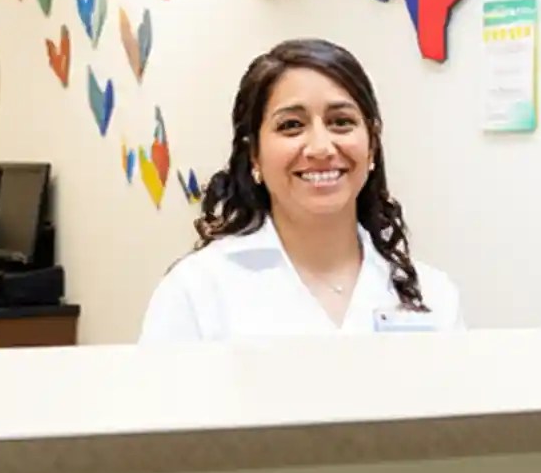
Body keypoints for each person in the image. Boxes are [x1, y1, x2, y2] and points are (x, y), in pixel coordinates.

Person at [138, 38, 464, 343]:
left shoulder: (434, 294)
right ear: (254, 155)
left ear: (372, 145)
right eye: (291, 125)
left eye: (341, 122)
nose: (321, 148)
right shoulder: (195, 291)